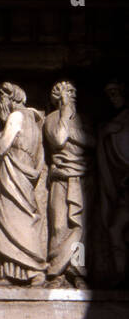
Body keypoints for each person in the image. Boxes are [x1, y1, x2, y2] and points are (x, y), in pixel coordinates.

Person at [0, 82, 46, 286]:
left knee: (13, 221)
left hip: (13, 176)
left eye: (1, 97)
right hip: (25, 175)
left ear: (11, 99)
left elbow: (1, 147)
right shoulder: (34, 121)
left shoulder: (17, 116)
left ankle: (35, 269)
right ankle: (15, 272)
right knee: (21, 220)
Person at [43, 81, 91, 286]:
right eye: (66, 92)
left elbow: (92, 141)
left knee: (80, 227)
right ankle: (56, 270)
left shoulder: (84, 119)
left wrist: (73, 129)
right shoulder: (52, 119)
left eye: (73, 91)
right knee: (59, 226)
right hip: (60, 179)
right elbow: (59, 139)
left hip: (81, 178)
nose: (71, 95)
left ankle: (77, 270)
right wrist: (65, 113)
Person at [97, 79, 129, 283]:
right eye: (109, 94)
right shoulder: (113, 123)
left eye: (116, 92)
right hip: (124, 191)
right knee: (114, 229)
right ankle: (121, 274)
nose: (113, 98)